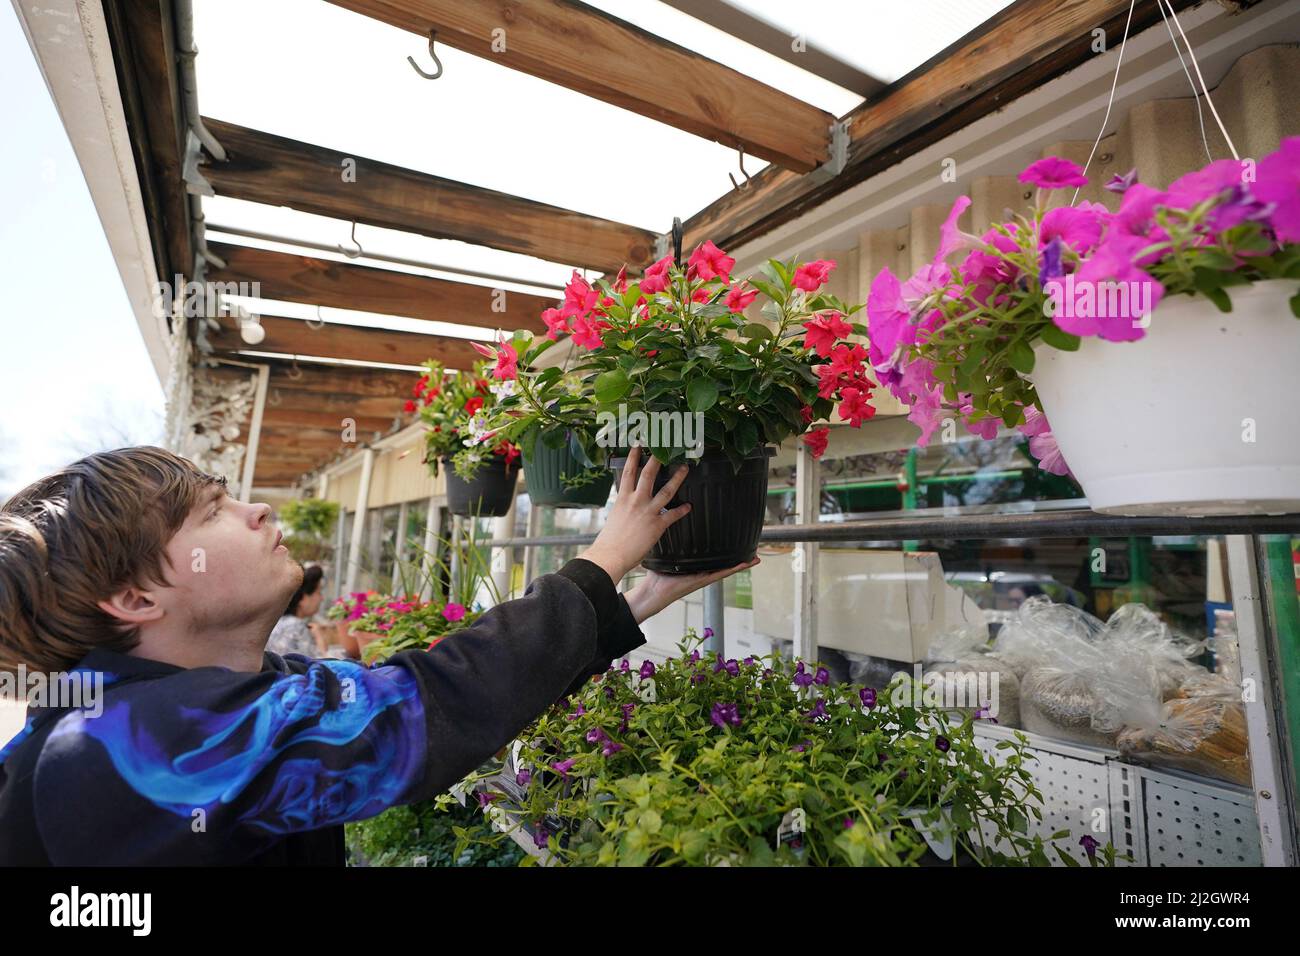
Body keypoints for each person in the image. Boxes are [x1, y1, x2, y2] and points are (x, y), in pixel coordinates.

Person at [0, 445, 753, 865]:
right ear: (134, 600)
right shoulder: (108, 742)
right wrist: (600, 560)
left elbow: (414, 698)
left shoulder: (258, 690)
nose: (256, 507)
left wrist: (634, 597)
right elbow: (416, 712)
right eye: (210, 512)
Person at [267, 563, 325, 659]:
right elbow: (318, 667)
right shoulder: (298, 627)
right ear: (303, 598)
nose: (321, 598)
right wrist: (320, 643)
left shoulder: (278, 622)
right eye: (318, 592)